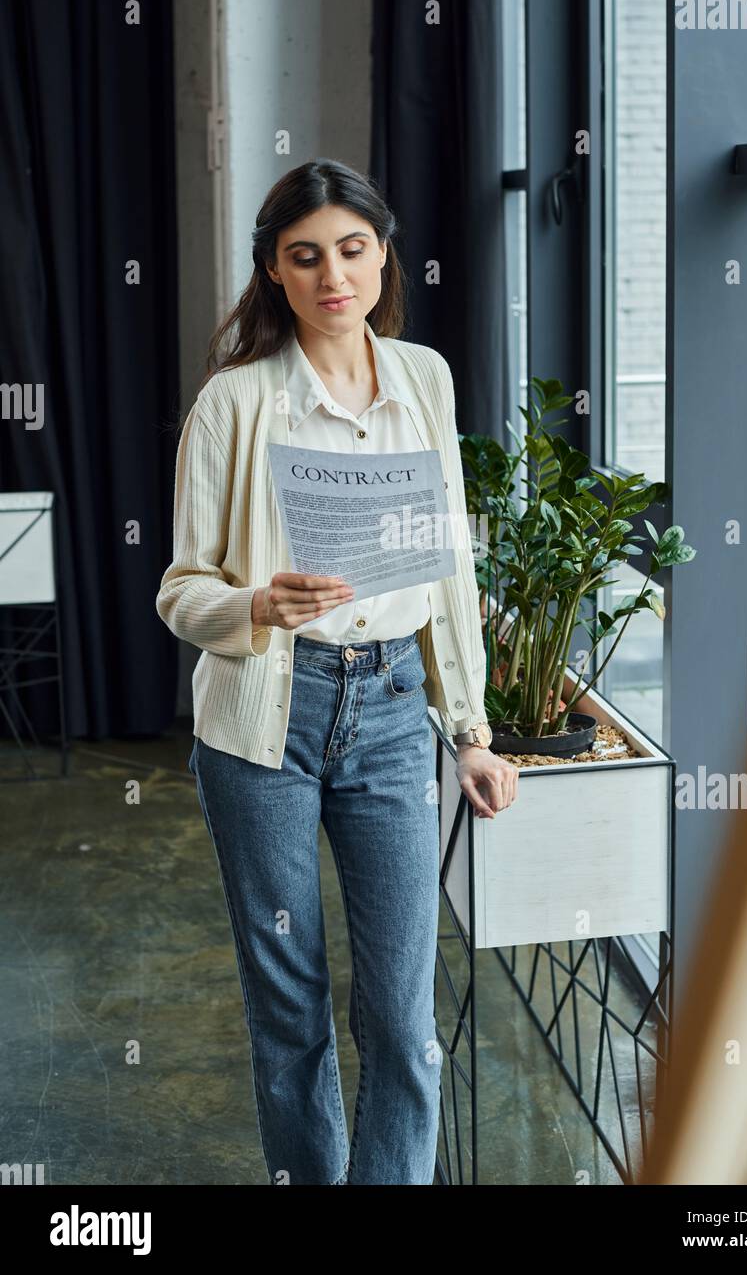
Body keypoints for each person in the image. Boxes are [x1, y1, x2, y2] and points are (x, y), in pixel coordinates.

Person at [155, 157, 518, 1185]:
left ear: (384, 251)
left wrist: (474, 732)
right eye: (304, 256)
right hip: (266, 719)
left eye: (352, 249)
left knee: (403, 1016)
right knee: (291, 1015)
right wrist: (260, 603)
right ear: (273, 270)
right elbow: (180, 589)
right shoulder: (233, 404)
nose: (333, 276)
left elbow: (446, 568)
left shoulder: (425, 380)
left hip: (397, 710)